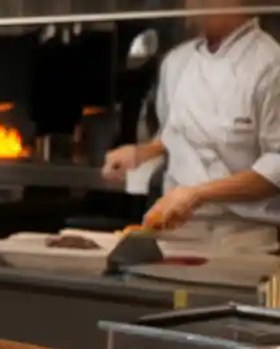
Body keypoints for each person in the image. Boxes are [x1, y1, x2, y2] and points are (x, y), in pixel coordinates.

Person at [103, 3, 280, 252]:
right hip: (175, 235)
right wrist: (143, 152)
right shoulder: (177, 62)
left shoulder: (271, 65)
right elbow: (175, 132)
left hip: (246, 240)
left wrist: (198, 194)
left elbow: (277, 164)